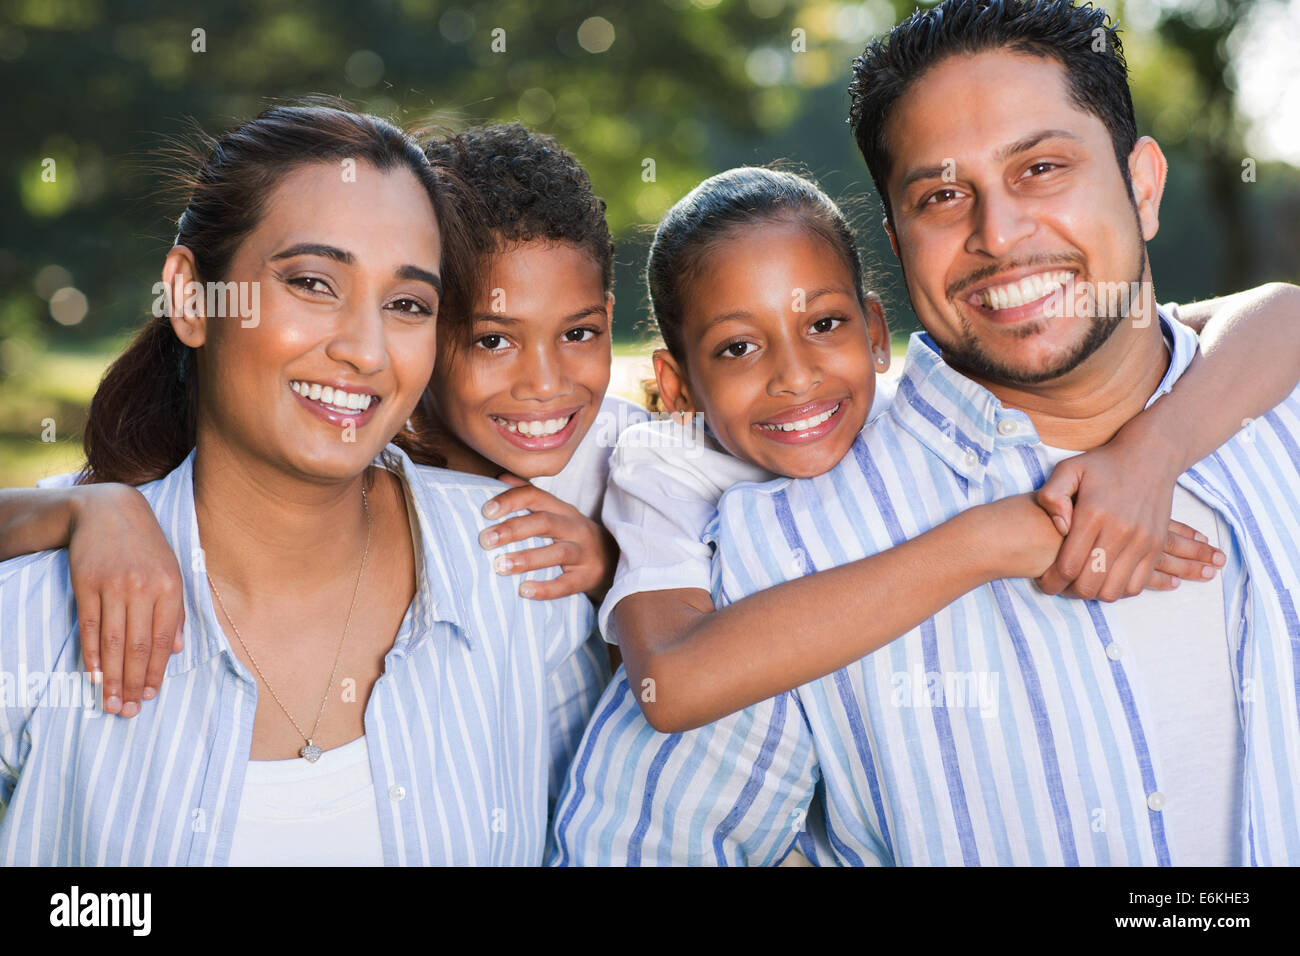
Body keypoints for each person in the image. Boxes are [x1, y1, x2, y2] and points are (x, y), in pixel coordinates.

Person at [550, 0, 1300, 865]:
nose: (1000, 234)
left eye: (1043, 168)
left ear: (1142, 185)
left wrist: (1159, 450)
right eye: (943, 195)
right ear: (898, 240)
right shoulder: (780, 549)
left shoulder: (1271, 406)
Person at [0, 103, 606, 866]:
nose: (365, 349)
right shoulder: (34, 620)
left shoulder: (519, 571)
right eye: (315, 283)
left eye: (408, 304)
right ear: (191, 296)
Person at [598, 165, 1295, 737]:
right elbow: (673, 687)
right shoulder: (663, 470)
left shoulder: (909, 408)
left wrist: (1149, 456)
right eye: (738, 347)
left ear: (875, 334)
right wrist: (991, 542)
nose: (796, 375)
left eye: (824, 324)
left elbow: (1283, 315)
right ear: (678, 384)